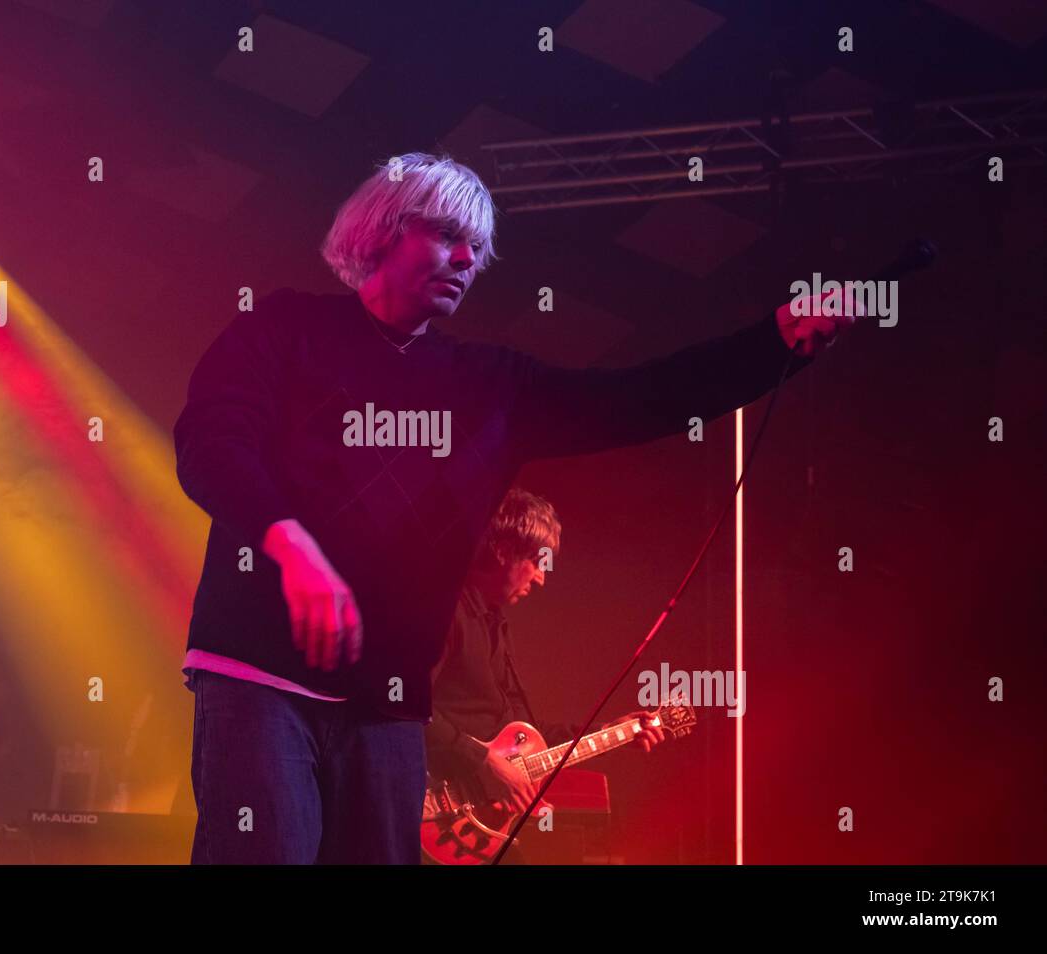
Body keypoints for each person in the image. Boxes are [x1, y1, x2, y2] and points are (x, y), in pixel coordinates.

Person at [173, 151, 849, 864]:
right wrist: (290, 544)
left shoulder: (490, 386)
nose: (467, 257)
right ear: (381, 230)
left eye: (478, 247)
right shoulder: (284, 328)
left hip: (390, 704)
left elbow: (642, 398)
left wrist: (773, 343)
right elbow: (209, 443)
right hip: (260, 677)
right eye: (446, 236)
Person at [426, 487, 664, 820]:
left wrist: (612, 730)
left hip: (479, 818)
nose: (540, 578)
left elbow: (529, 736)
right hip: (437, 808)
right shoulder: (448, 615)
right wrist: (484, 761)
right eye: (537, 563)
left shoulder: (494, 625)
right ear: (504, 550)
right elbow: (406, 708)